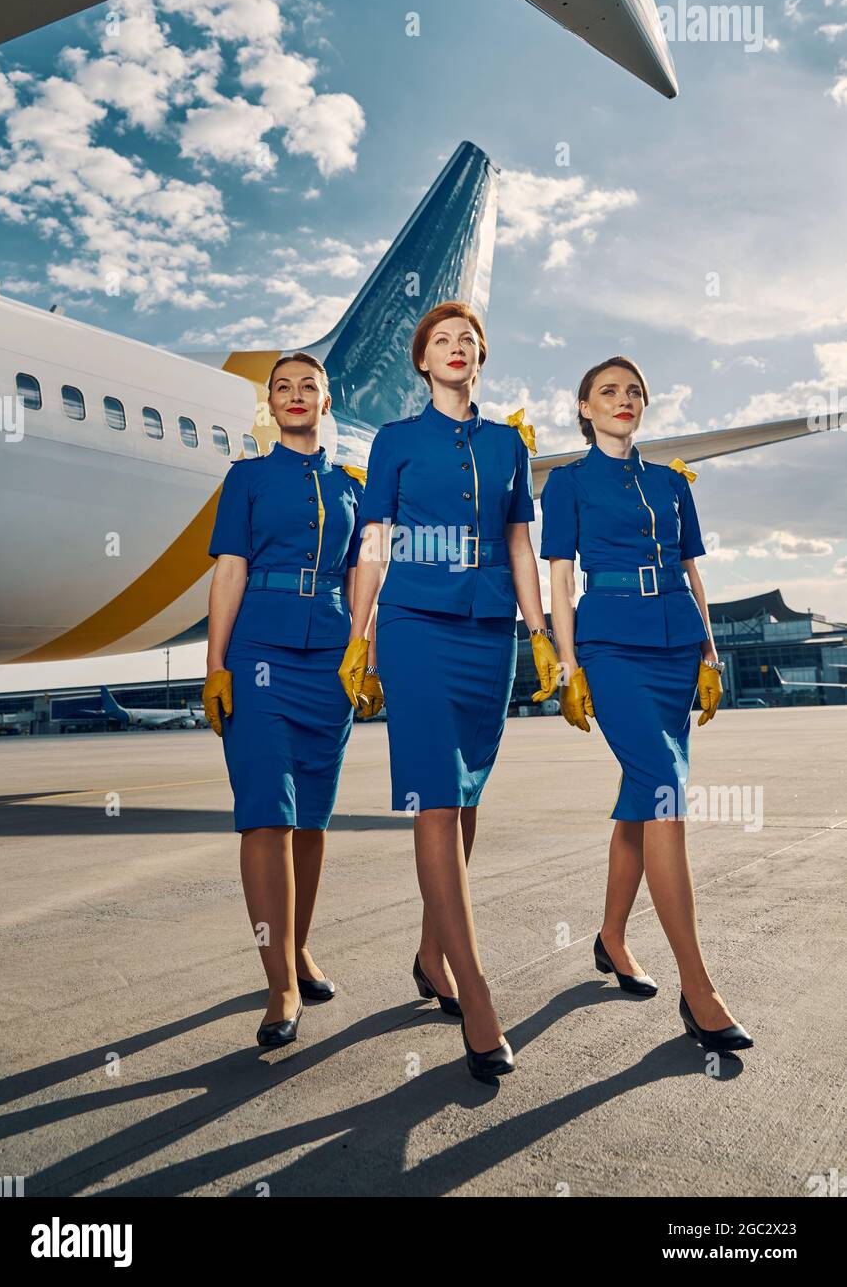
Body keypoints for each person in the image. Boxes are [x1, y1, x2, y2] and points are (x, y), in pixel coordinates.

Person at [340, 301, 560, 1082]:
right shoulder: (394, 441)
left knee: (466, 798)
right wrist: (358, 633)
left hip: (488, 632)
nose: (457, 348)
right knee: (436, 797)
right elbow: (374, 539)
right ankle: (475, 993)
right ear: (423, 361)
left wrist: (540, 633)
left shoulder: (507, 445)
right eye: (442, 341)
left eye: (468, 339)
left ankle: (432, 954)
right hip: (415, 629)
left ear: (481, 357)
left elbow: (518, 542)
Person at [541, 356, 753, 1053]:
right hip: (610, 647)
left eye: (634, 392)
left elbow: (694, 571)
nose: (623, 400)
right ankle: (700, 989)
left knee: (642, 795)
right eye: (608, 391)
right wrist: (567, 663)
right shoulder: (567, 484)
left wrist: (711, 654)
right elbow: (561, 577)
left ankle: (609, 937)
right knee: (664, 791)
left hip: (675, 647)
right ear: (584, 407)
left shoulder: (668, 482)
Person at [202, 353, 382, 1050]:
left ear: (326, 401)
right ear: (270, 406)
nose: (296, 395)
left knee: (311, 820)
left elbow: (362, 573)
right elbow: (230, 571)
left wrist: (362, 649)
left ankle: (300, 948)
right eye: (284, 387)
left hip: (327, 659)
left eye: (309, 386)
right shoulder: (246, 478)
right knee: (264, 818)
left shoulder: (349, 487)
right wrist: (216, 664)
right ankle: (277, 979)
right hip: (259, 656)